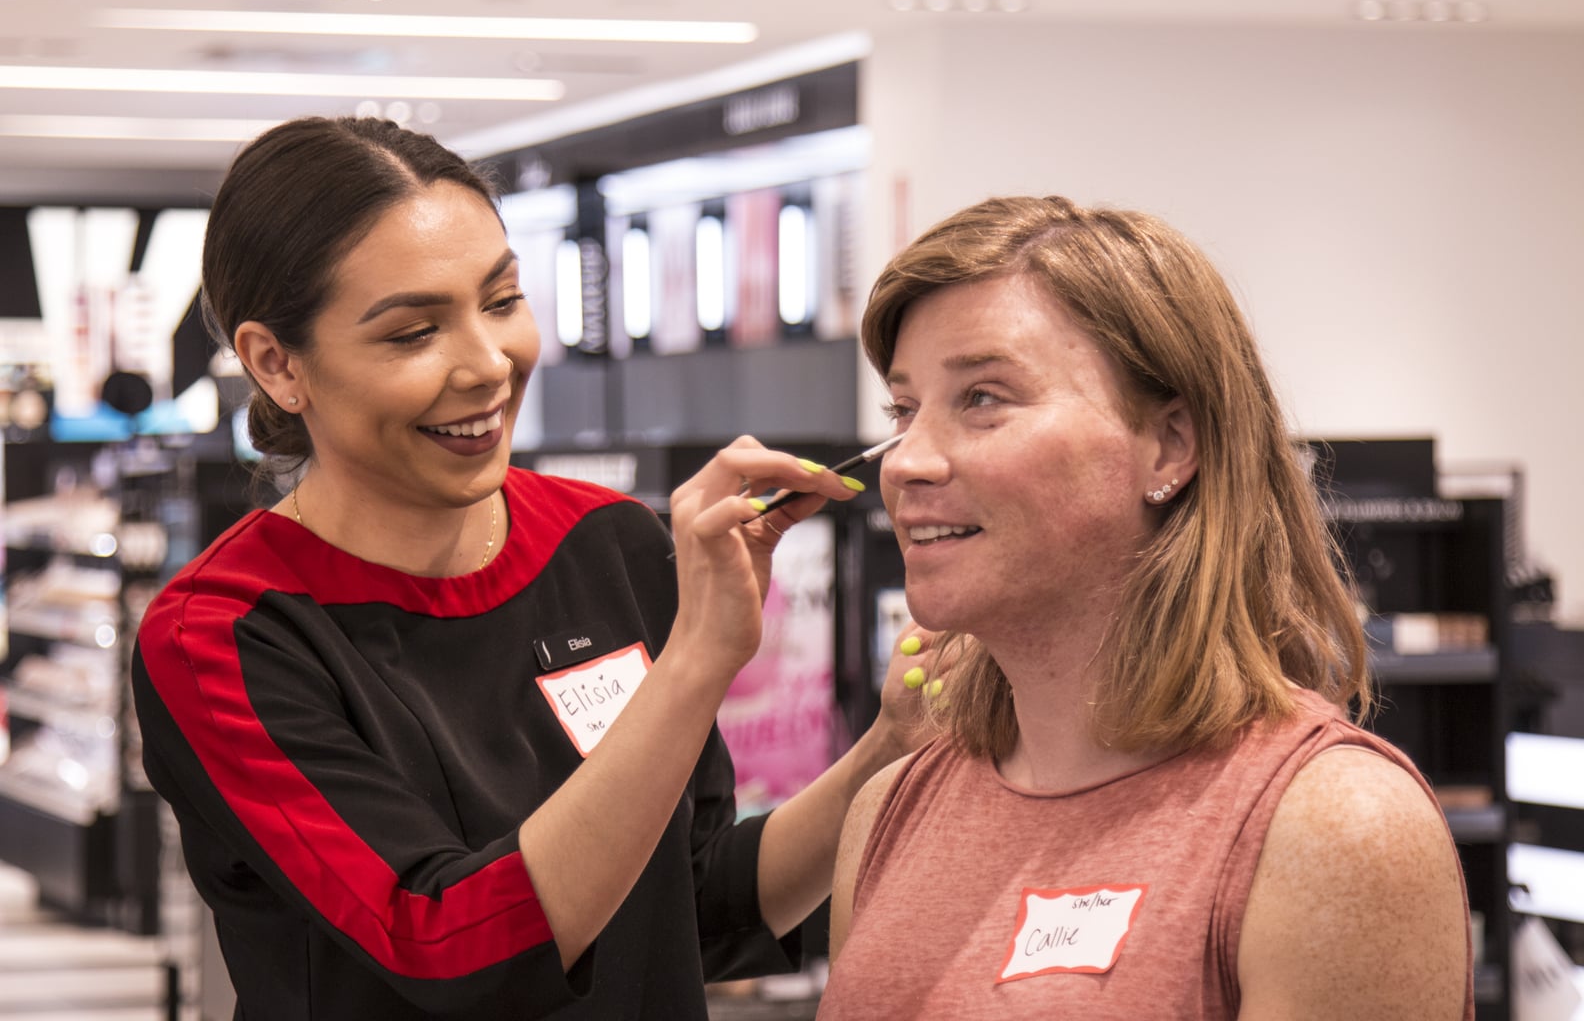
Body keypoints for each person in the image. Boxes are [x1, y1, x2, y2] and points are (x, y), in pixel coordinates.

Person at [130, 115, 931, 1020]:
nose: (488, 365)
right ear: (276, 364)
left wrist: (893, 745)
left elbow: (693, 907)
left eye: (502, 302)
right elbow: (451, 951)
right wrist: (699, 659)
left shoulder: (607, 543)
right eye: (411, 334)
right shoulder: (225, 634)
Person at [817, 195, 1473, 1020]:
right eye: (903, 411)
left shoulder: (1333, 829)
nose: (907, 461)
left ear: (1169, 445)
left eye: (983, 397)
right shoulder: (889, 812)